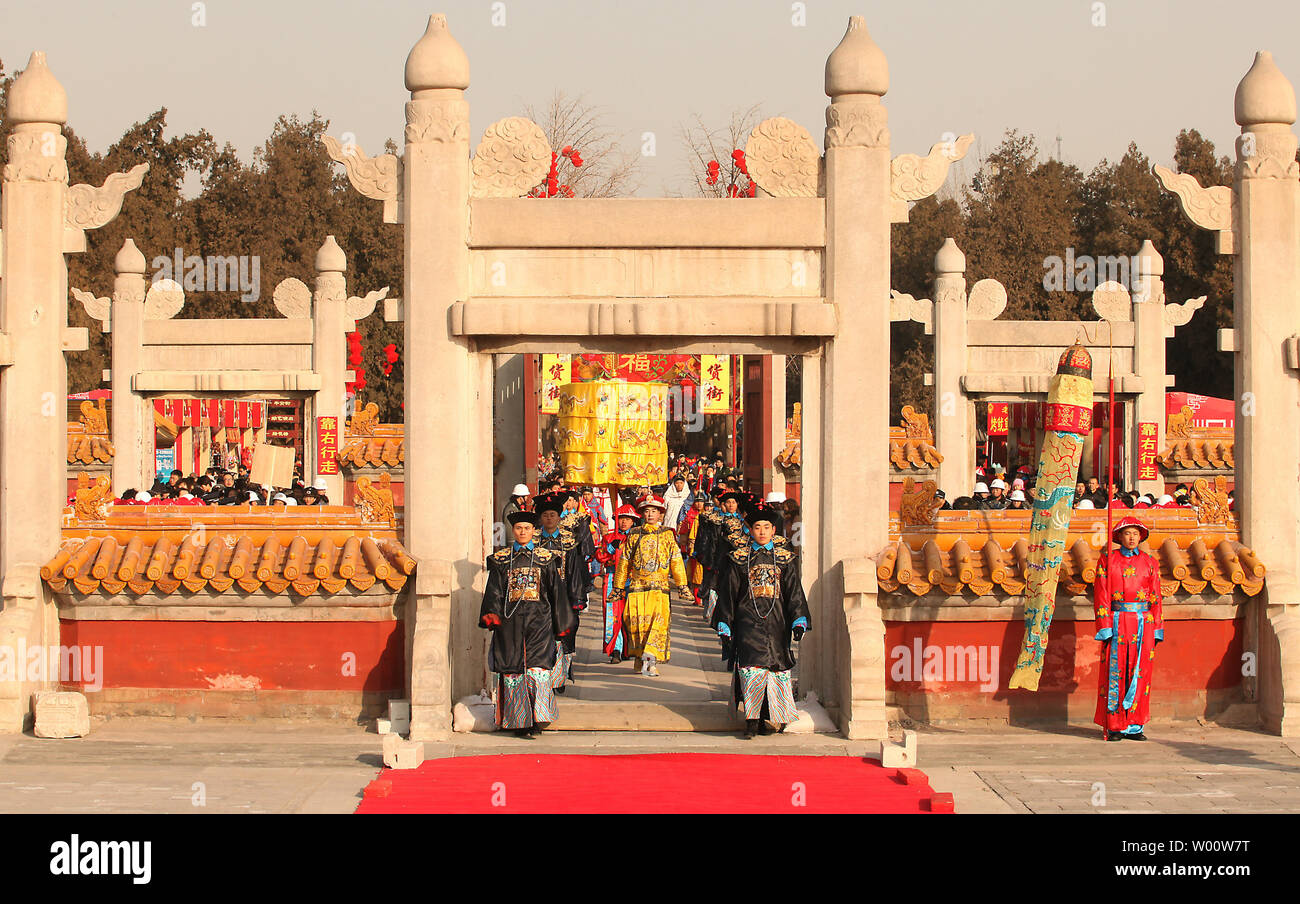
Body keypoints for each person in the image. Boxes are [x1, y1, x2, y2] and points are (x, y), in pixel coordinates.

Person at [714, 501, 811, 739]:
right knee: (751, 670)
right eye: (757, 527)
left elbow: (794, 592)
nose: (762, 532)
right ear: (751, 529)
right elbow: (728, 592)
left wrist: (798, 619)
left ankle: (771, 717)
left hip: (777, 621)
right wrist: (725, 621)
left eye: (766, 527)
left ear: (773, 530)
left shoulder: (785, 559)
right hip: (748, 620)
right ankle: (751, 719)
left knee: (775, 669)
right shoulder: (738, 558)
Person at [479, 509, 576, 738]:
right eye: (519, 528)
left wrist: (562, 623)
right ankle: (518, 722)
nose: (523, 532)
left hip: (539, 622)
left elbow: (556, 593)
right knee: (513, 670)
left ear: (534, 531)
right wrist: (492, 614)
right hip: (509, 625)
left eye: (527, 528)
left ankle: (539, 718)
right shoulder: (502, 560)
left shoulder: (546, 559)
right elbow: (494, 591)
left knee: (537, 669)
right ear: (514, 531)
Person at [1094, 514, 1163, 742]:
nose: (1132, 538)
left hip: (1143, 622)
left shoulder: (1150, 563)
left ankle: (1135, 724)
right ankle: (1114, 725)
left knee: (1140, 674)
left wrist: (1157, 627)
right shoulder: (1107, 560)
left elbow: (1156, 598)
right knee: (1117, 672)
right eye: (1127, 533)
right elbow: (1101, 594)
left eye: (1135, 534)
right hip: (1117, 620)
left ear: (1141, 536)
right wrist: (1105, 625)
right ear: (1119, 537)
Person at [609, 494, 687, 677]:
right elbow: (625, 561)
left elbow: (676, 561)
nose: (651, 514)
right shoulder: (634, 534)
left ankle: (651, 660)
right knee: (637, 625)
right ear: (642, 513)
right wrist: (618, 587)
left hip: (659, 588)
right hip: (637, 588)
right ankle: (641, 659)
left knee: (657, 625)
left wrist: (682, 585)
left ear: (661, 514)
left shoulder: (668, 534)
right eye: (647, 511)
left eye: (654, 511)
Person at [533, 492, 588, 694]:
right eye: (545, 514)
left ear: (559, 517)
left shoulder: (569, 541)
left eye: (553, 514)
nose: (549, 518)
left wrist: (577, 598)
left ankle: (561, 675)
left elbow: (575, 571)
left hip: (564, 595)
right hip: (540, 597)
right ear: (540, 518)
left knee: (564, 636)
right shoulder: (534, 540)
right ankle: (544, 675)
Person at [595, 503, 641, 662]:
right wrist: (609, 549)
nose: (624, 522)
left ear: (633, 521)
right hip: (613, 579)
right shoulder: (608, 537)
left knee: (631, 615)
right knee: (613, 615)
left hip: (632, 580)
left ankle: (630, 648)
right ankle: (616, 649)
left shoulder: (638, 537)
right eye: (621, 518)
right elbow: (600, 556)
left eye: (628, 519)